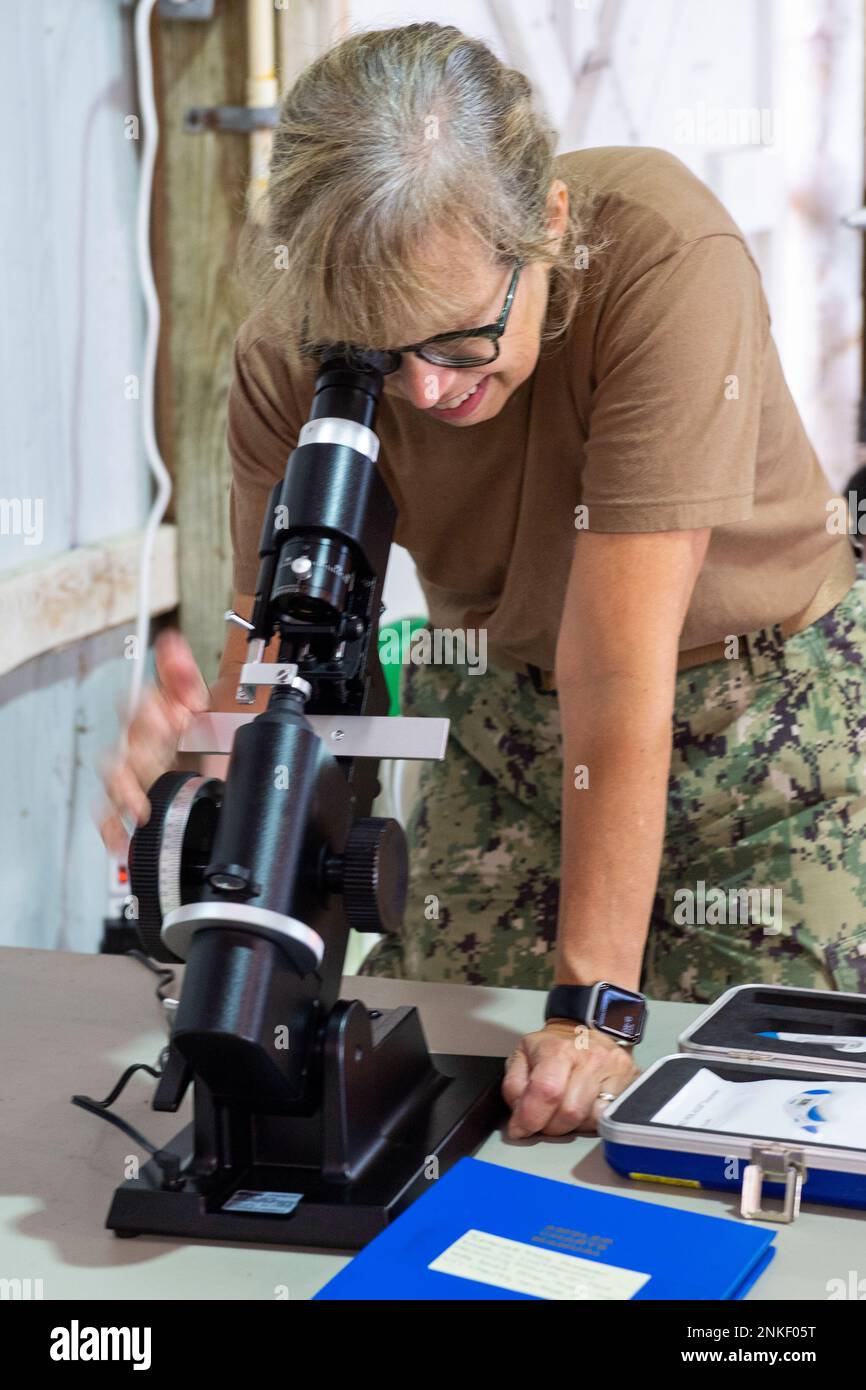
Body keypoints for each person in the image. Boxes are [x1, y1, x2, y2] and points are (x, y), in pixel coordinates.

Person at [99, 22, 866, 1143]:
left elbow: (615, 665)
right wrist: (215, 770)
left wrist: (592, 1005)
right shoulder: (290, 349)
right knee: (454, 1077)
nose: (422, 388)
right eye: (378, 350)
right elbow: (273, 648)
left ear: (546, 225)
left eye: (458, 339)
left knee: (771, 1110)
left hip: (766, 730)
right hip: (504, 715)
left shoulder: (660, 253)